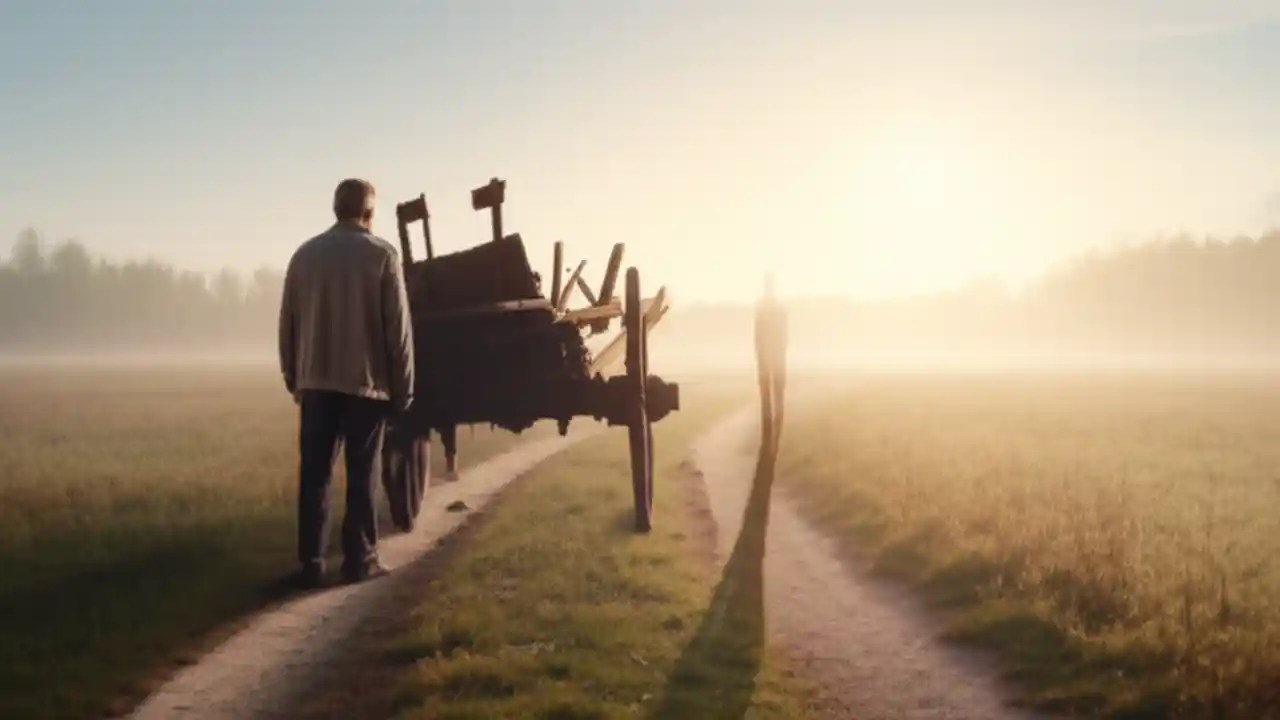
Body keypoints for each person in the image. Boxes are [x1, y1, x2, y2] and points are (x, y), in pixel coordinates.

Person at [278, 178, 414, 587]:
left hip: (316, 382)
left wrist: (293, 375)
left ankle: (312, 564)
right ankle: (360, 559)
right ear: (369, 213)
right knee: (362, 472)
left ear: (335, 208)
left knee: (314, 475)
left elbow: (288, 323)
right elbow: (398, 331)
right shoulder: (382, 256)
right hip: (366, 386)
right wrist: (403, 389)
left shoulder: (304, 256)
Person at [755, 273, 788, 452]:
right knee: (775, 390)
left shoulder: (764, 307)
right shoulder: (777, 306)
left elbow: (758, 333)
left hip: (770, 355)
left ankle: (770, 423)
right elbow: (782, 332)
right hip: (774, 355)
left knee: (769, 391)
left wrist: (760, 351)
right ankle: (774, 422)